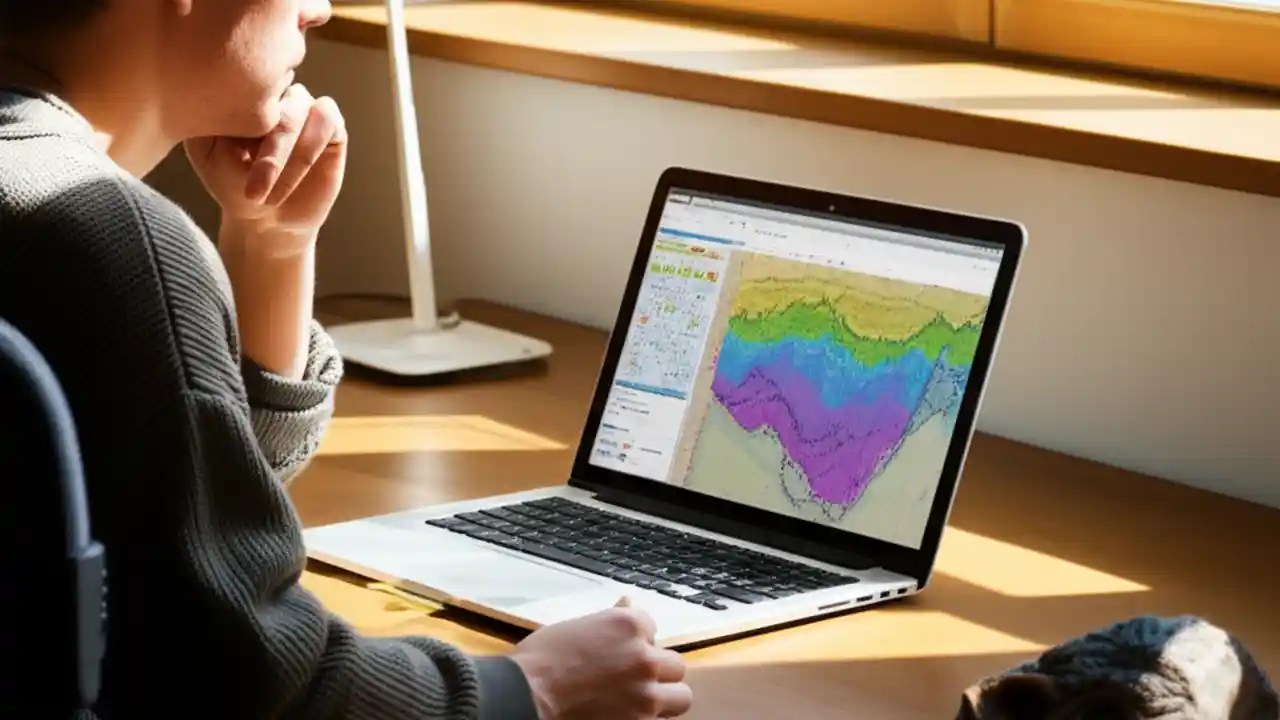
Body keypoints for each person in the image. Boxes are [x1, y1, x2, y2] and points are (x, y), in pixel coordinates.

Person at [0, 1, 693, 718]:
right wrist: (532, 688)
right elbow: (260, 680)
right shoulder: (106, 235)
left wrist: (271, 244)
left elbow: (188, 508)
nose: (318, 10)